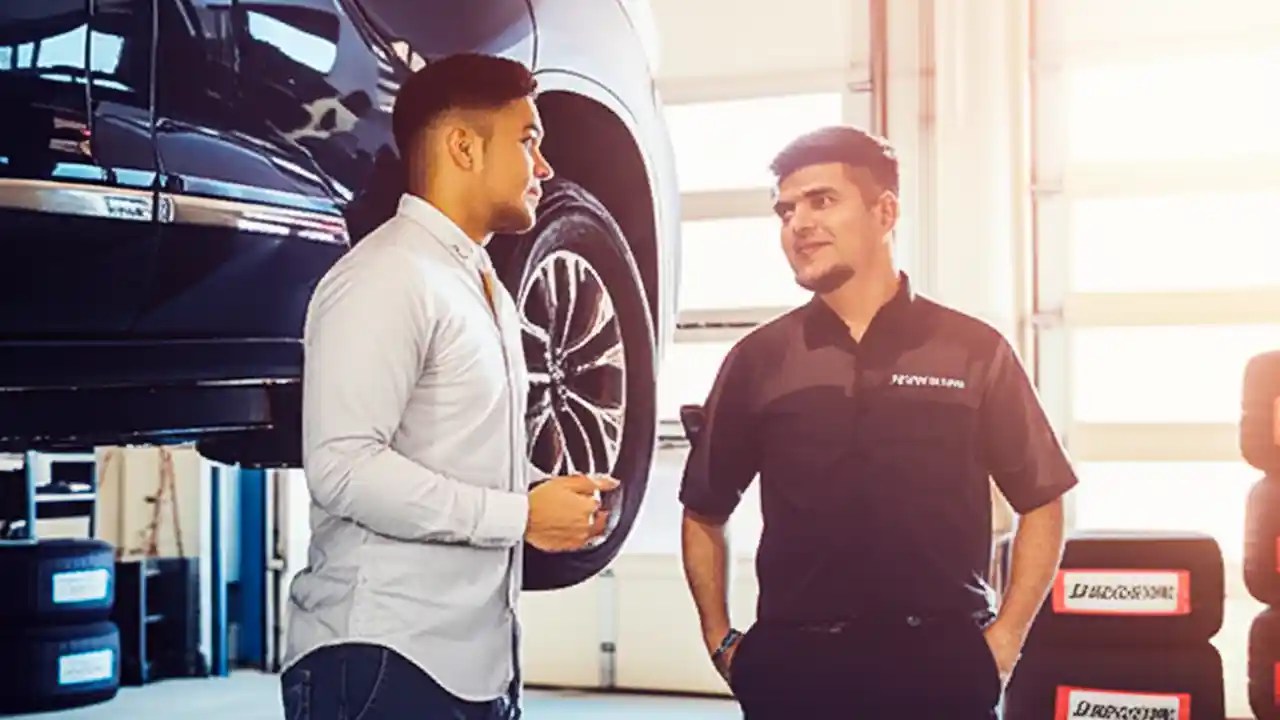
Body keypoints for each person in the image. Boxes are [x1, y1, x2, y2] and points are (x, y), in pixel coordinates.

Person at [678, 125, 1077, 719]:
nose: (798, 224)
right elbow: (704, 509)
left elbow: (1042, 499)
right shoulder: (759, 361)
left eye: (822, 200)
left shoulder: (973, 351)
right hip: (795, 672)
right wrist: (722, 640)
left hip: (940, 669)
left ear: (885, 210)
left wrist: (1007, 639)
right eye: (786, 210)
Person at [279, 53, 619, 720]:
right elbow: (342, 469)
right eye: (529, 141)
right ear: (464, 146)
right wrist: (522, 517)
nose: (545, 168)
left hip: (475, 669)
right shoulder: (387, 275)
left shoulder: (478, 285)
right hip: (382, 662)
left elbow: (456, 459)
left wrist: (541, 499)